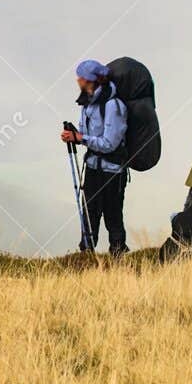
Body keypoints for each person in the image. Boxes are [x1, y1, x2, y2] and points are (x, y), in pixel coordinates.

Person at [60, 59, 129, 255]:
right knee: (90, 212)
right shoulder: (87, 104)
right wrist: (75, 136)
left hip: (113, 171)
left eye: (81, 77)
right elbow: (86, 134)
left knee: (112, 214)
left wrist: (80, 138)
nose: (78, 80)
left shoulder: (113, 106)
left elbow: (109, 143)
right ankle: (86, 254)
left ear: (90, 80)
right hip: (93, 168)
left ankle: (118, 254)